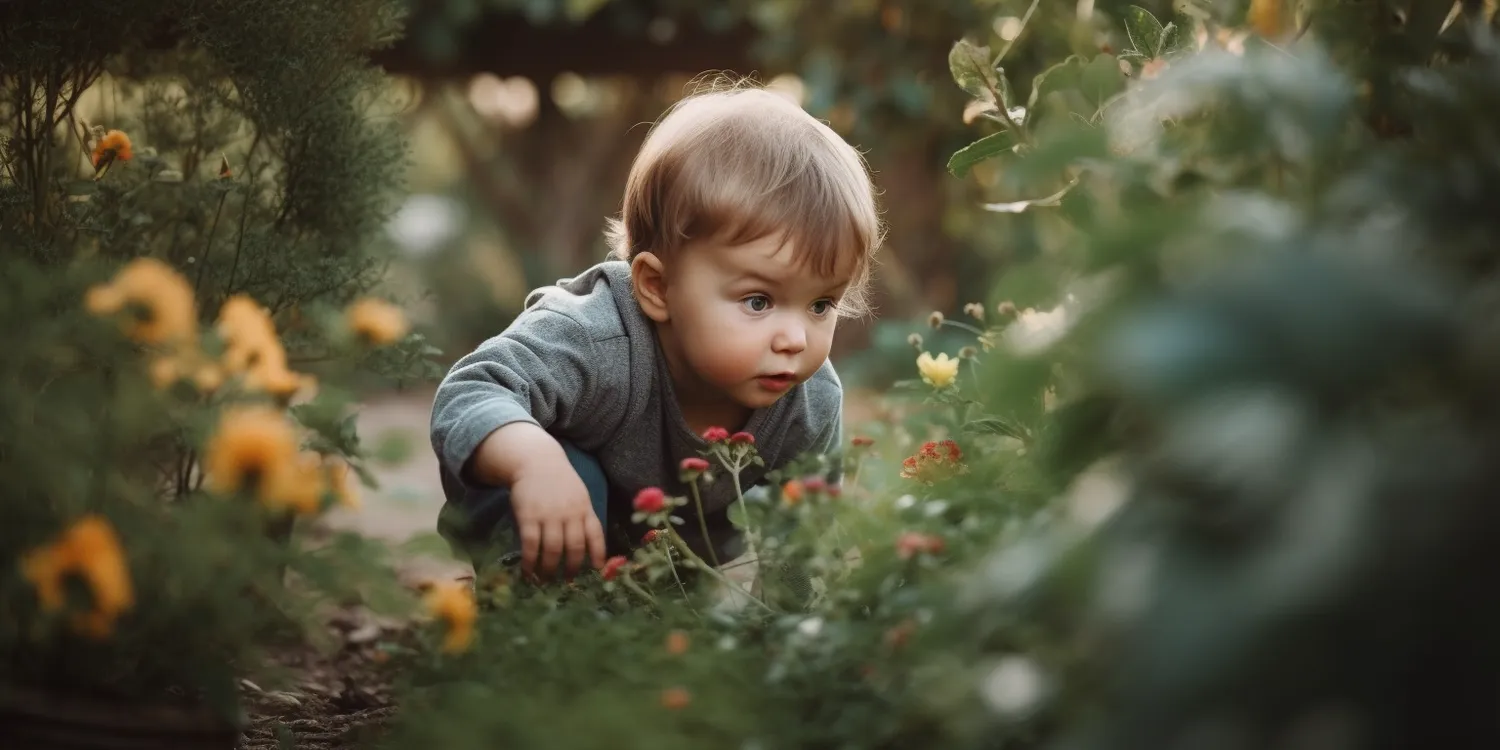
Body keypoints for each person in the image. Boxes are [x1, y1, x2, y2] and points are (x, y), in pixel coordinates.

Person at [429, 79, 883, 584]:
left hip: (664, 559)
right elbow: (470, 391)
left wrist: (792, 622)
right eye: (759, 301)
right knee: (561, 465)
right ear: (658, 287)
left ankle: (640, 614)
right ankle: (533, 619)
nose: (795, 339)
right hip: (548, 516)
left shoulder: (810, 400)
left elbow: (805, 541)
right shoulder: (597, 336)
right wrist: (531, 461)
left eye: (821, 304)